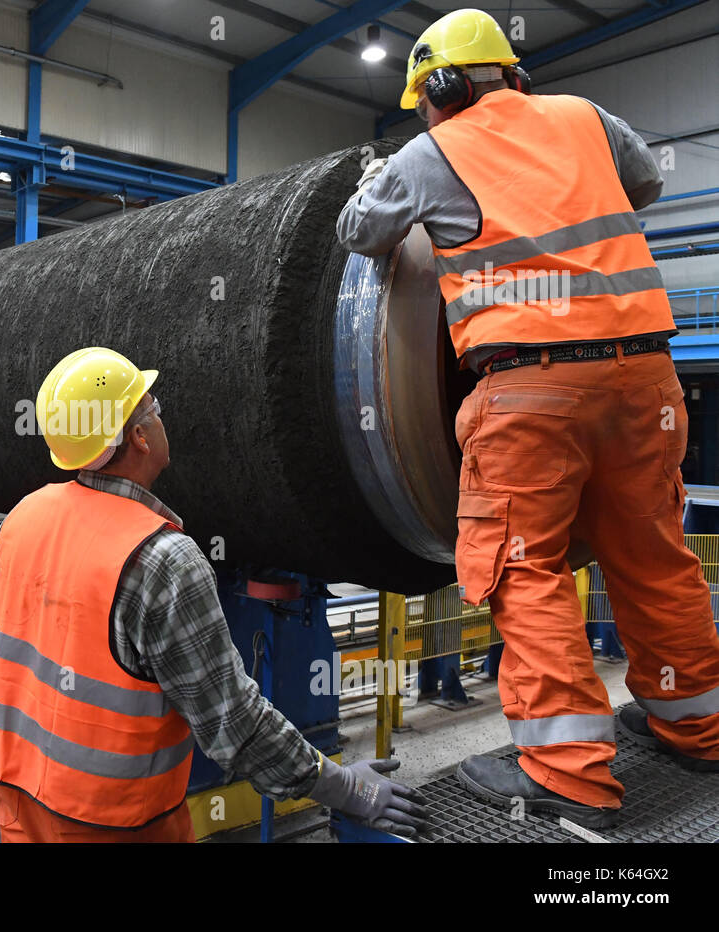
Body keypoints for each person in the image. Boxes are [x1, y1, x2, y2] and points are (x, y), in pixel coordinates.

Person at [336, 8, 719, 828]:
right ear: (512, 72)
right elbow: (645, 181)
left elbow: (357, 230)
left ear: (439, 88)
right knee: (653, 556)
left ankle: (569, 772)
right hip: (646, 377)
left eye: (424, 98)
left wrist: (384, 176)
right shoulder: (586, 118)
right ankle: (694, 724)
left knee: (525, 567)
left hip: (532, 389)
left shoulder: (432, 150)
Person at [0, 346, 426, 842]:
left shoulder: (21, 519)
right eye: (155, 409)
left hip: (17, 802)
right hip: (113, 825)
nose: (162, 419)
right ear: (140, 437)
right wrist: (348, 790)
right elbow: (235, 725)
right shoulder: (162, 559)